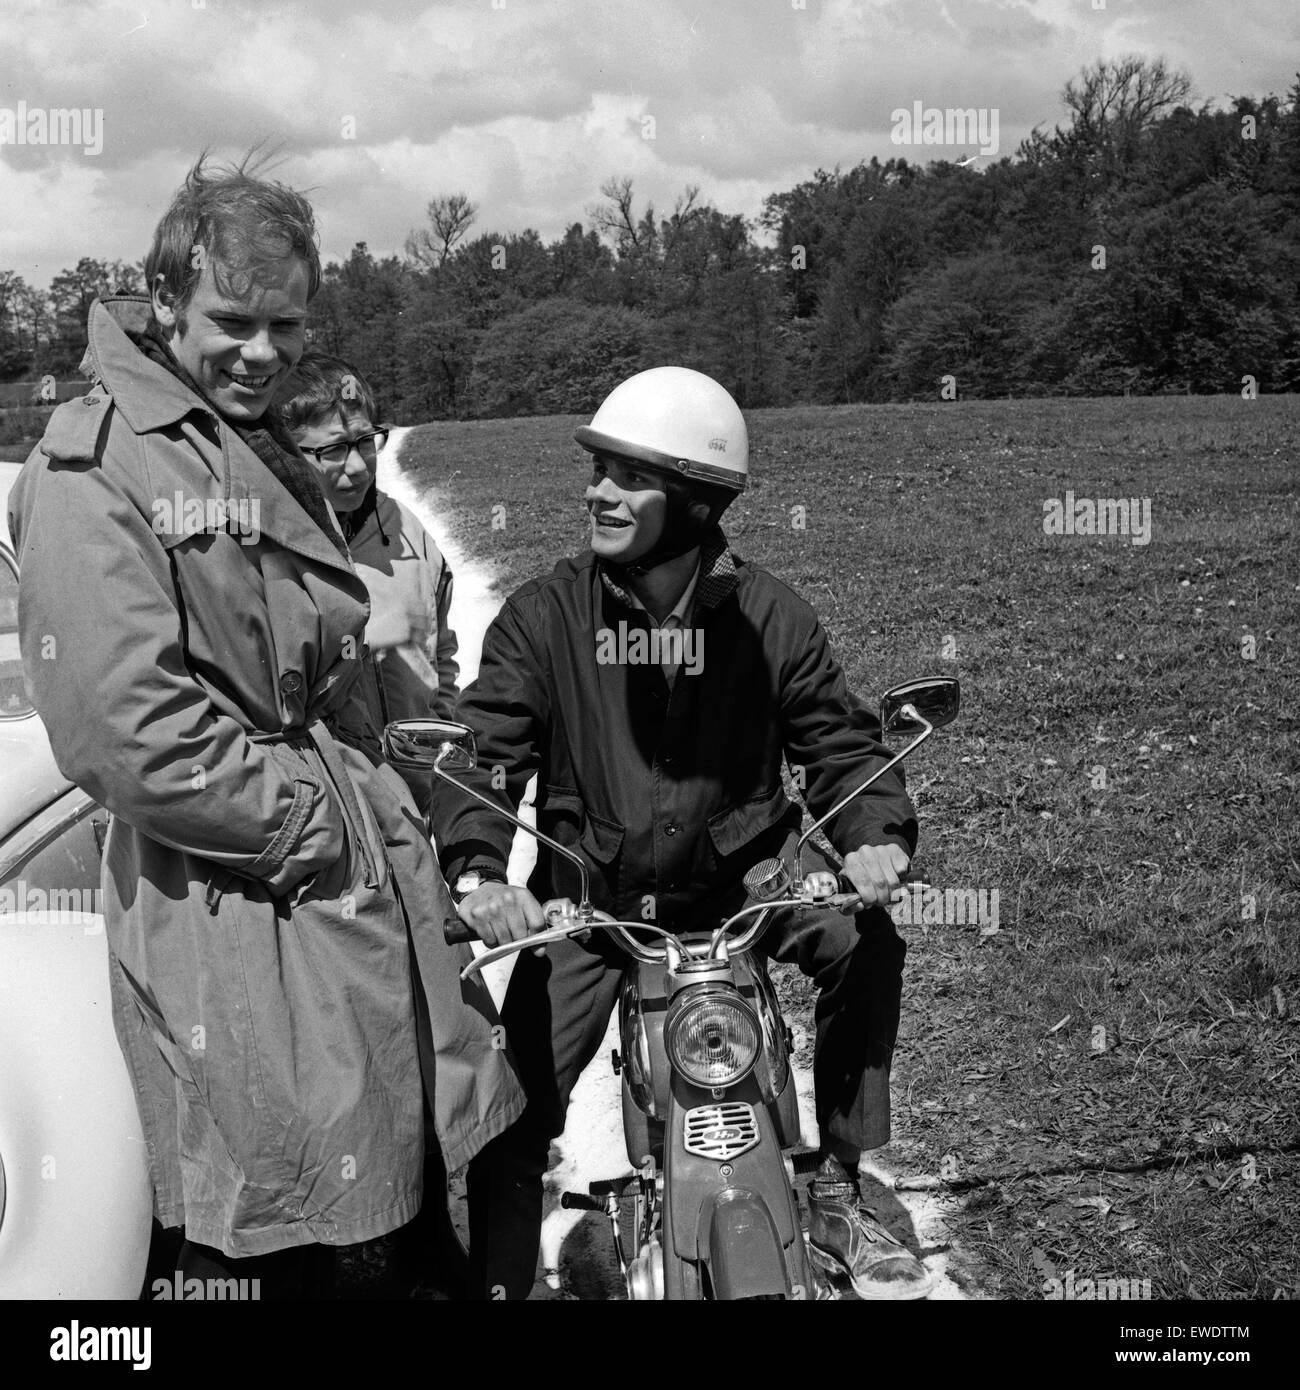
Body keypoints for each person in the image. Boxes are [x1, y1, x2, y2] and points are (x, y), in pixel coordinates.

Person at [7, 153, 522, 1297]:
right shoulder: (94, 466)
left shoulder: (248, 436)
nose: (263, 352)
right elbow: (122, 729)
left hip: (344, 871)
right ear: (163, 303)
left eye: (286, 325)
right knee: (289, 1219)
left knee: (410, 1180)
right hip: (236, 892)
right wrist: (310, 831)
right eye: (232, 321)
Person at [433, 365, 934, 1301]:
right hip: (594, 904)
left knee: (866, 946)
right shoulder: (547, 618)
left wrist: (872, 835)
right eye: (597, 471)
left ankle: (836, 1182)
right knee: (509, 1104)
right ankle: (494, 1280)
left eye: (628, 478)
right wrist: (478, 874)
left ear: (698, 504)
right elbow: (481, 754)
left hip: (744, 886)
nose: (598, 492)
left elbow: (840, 741)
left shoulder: (768, 617)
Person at [278, 351, 459, 821]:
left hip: (421, 800)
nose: (357, 466)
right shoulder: (270, 551)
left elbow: (441, 653)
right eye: (333, 450)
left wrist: (441, 736)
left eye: (366, 441)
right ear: (285, 452)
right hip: (333, 816)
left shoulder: (408, 530)